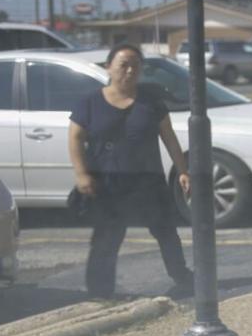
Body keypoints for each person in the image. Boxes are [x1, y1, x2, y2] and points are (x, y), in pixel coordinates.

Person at [68, 44, 195, 300]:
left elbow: (169, 138)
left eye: (135, 66)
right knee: (107, 238)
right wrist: (82, 174)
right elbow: (74, 138)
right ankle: (100, 292)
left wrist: (183, 170)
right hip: (109, 183)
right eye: (123, 65)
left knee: (166, 231)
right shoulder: (90, 103)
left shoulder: (151, 102)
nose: (129, 71)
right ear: (109, 67)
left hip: (148, 180)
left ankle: (183, 277)